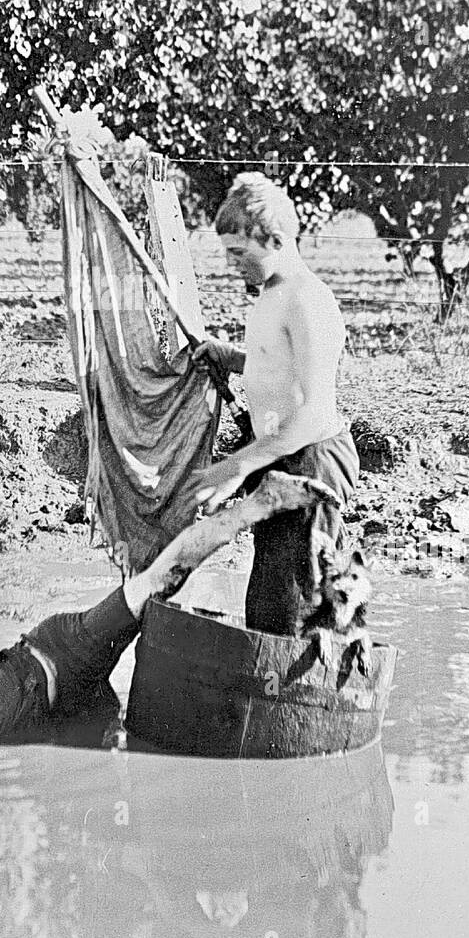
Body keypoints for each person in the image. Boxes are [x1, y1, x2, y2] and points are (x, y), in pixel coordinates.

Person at [0, 470, 339, 748]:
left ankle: (259, 502)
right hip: (53, 680)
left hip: (61, 655)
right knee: (109, 731)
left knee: (160, 581)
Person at [191, 171, 359, 636]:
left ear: (277, 239)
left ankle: (303, 704)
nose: (231, 264)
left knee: (297, 607)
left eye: (239, 253)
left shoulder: (308, 301)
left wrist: (237, 467)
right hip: (279, 458)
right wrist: (232, 357)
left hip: (311, 464)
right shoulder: (271, 293)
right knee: (269, 597)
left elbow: (313, 412)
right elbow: (277, 368)